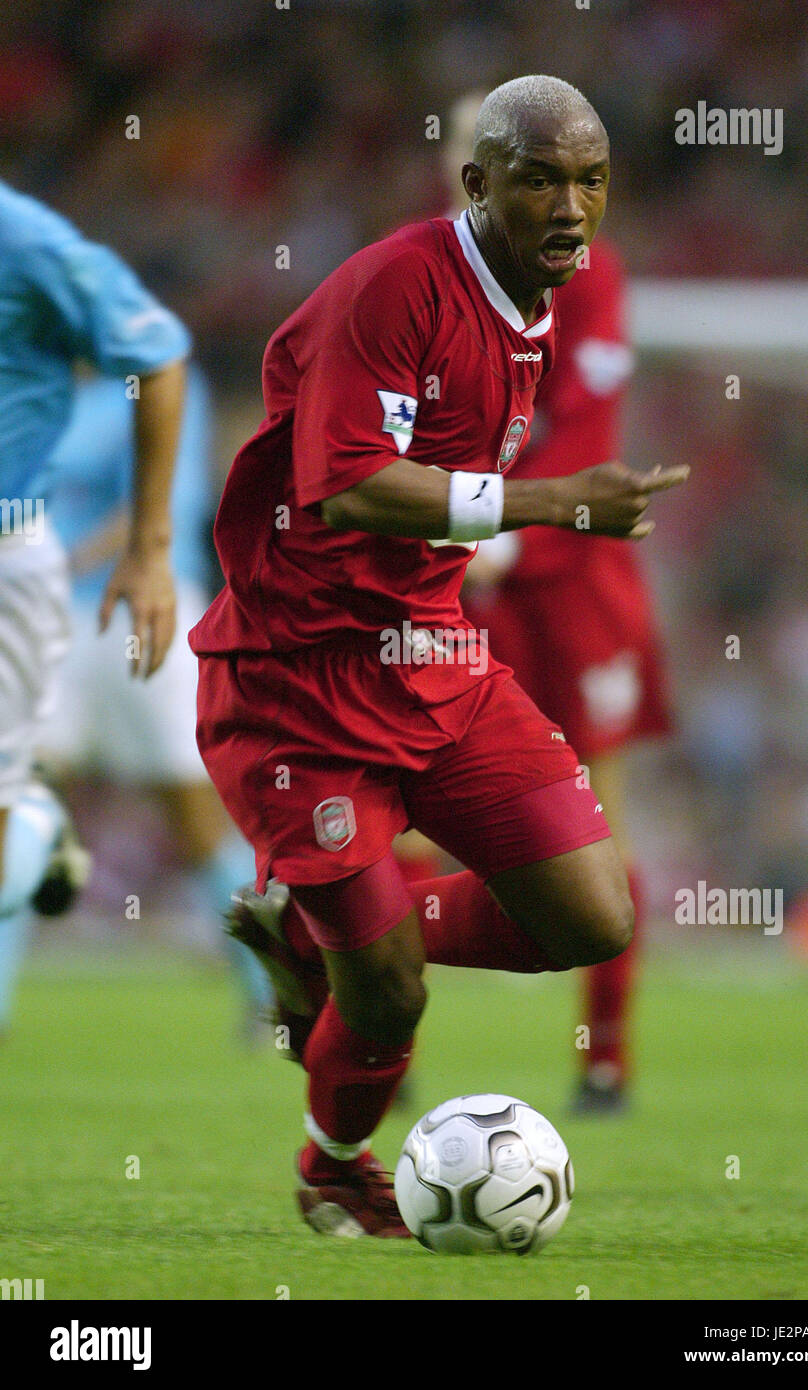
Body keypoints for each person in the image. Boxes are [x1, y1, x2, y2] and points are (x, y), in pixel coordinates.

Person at [190, 75, 688, 1237]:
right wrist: (552, 503)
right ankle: (334, 1164)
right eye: (538, 179)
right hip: (293, 676)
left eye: (590, 180)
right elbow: (355, 487)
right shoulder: (396, 287)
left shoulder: (536, 300)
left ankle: (331, 928)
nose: (570, 205)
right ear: (476, 184)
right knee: (389, 989)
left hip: (436, 657)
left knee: (592, 916)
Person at [453, 102, 673, 1115]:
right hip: (469, 574)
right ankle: (370, 1012)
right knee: (419, 803)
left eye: (566, 175)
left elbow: (583, 426)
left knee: (596, 816)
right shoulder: (437, 280)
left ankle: (606, 1058)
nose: (553, 197)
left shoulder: (590, 271)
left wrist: (508, 529)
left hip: (572, 587)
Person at [0, 178, 188, 1034]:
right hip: (47, 585)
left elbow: (156, 358)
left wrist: (147, 553)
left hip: (33, 564)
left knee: (193, 806)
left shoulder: (26, 239)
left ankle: (31, 830)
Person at [38, 368, 270, 1035]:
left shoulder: (157, 376)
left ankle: (271, 990)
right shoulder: (26, 382)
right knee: (18, 807)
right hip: (42, 621)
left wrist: (52, 557)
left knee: (195, 818)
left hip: (145, 611)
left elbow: (155, 505)